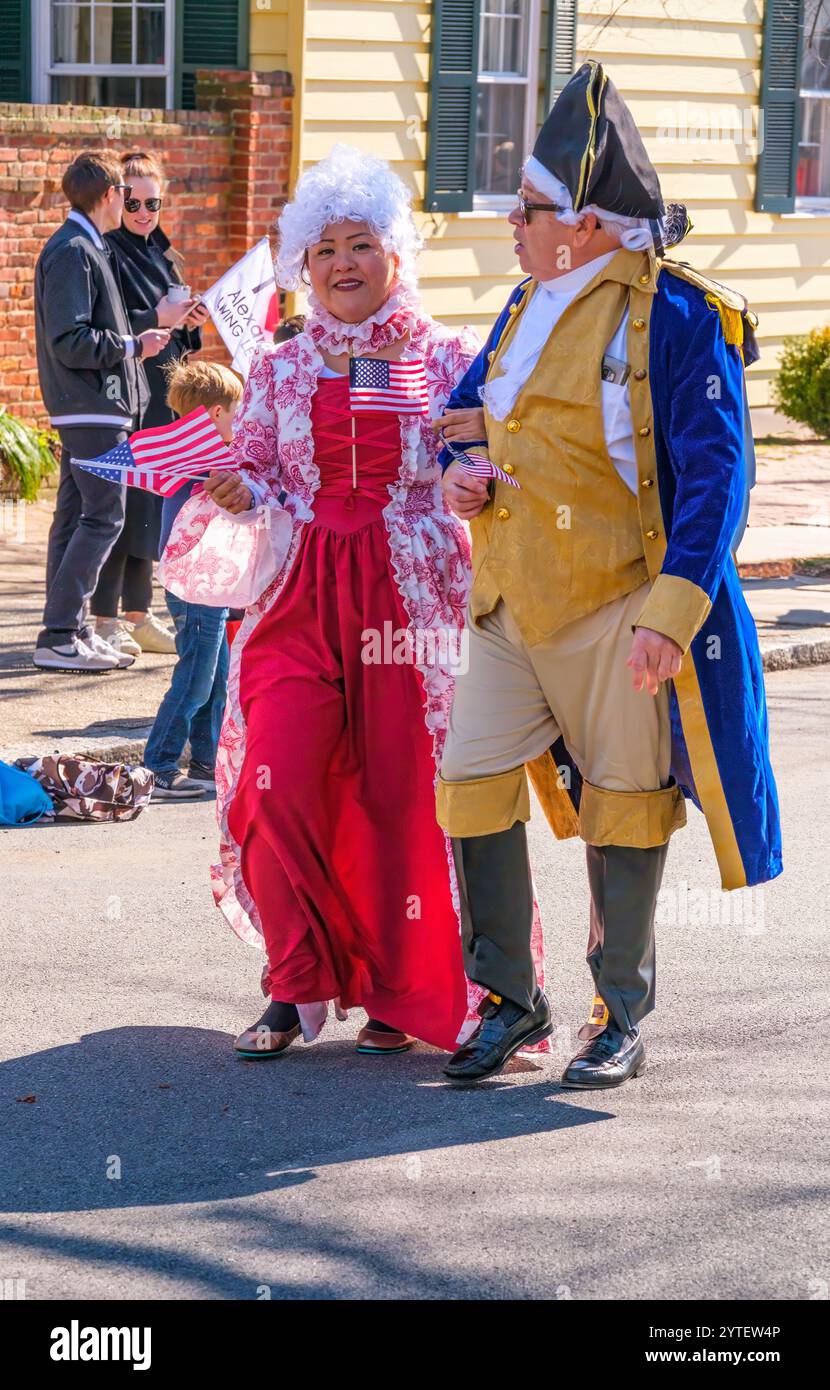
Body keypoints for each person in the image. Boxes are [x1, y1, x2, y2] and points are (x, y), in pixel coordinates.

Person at [434, 62, 783, 1087]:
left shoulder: (679, 316)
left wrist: (670, 615)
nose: (510, 217)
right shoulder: (519, 301)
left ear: (584, 224)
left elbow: (716, 476)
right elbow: (463, 416)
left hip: (617, 602)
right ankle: (507, 1000)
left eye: (530, 206)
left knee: (625, 804)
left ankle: (617, 1014)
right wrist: (459, 466)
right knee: (467, 786)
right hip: (505, 597)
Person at [164, 144, 547, 1060]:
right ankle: (294, 986)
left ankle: (395, 991)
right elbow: (256, 464)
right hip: (300, 594)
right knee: (280, 778)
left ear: (394, 254)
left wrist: (473, 476)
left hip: (410, 600)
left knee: (401, 801)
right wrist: (237, 489)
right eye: (326, 247)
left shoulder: (448, 352)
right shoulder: (285, 368)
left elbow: (490, 450)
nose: (343, 262)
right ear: (305, 265)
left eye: (361, 243)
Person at [33, 151, 170, 672]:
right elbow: (70, 340)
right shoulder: (73, 250)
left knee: (74, 518)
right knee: (103, 516)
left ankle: (70, 630)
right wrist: (134, 345)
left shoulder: (81, 246)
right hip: (92, 408)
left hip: (90, 408)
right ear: (110, 195)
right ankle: (61, 634)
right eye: (126, 197)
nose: (131, 205)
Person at [92, 150, 210, 659]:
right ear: (118, 199)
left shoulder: (165, 254)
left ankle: (139, 613)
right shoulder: (107, 252)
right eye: (133, 201)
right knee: (123, 501)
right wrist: (153, 314)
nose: (143, 212)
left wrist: (191, 317)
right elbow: (104, 323)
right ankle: (103, 617)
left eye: (152, 202)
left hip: (169, 391)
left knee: (153, 500)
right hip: (127, 388)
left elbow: (179, 330)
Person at [143, 361, 243, 798]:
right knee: (196, 676)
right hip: (195, 582)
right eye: (237, 409)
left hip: (208, 582)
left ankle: (205, 761)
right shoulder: (201, 458)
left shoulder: (197, 454)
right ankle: (159, 766)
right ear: (218, 413)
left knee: (217, 674)